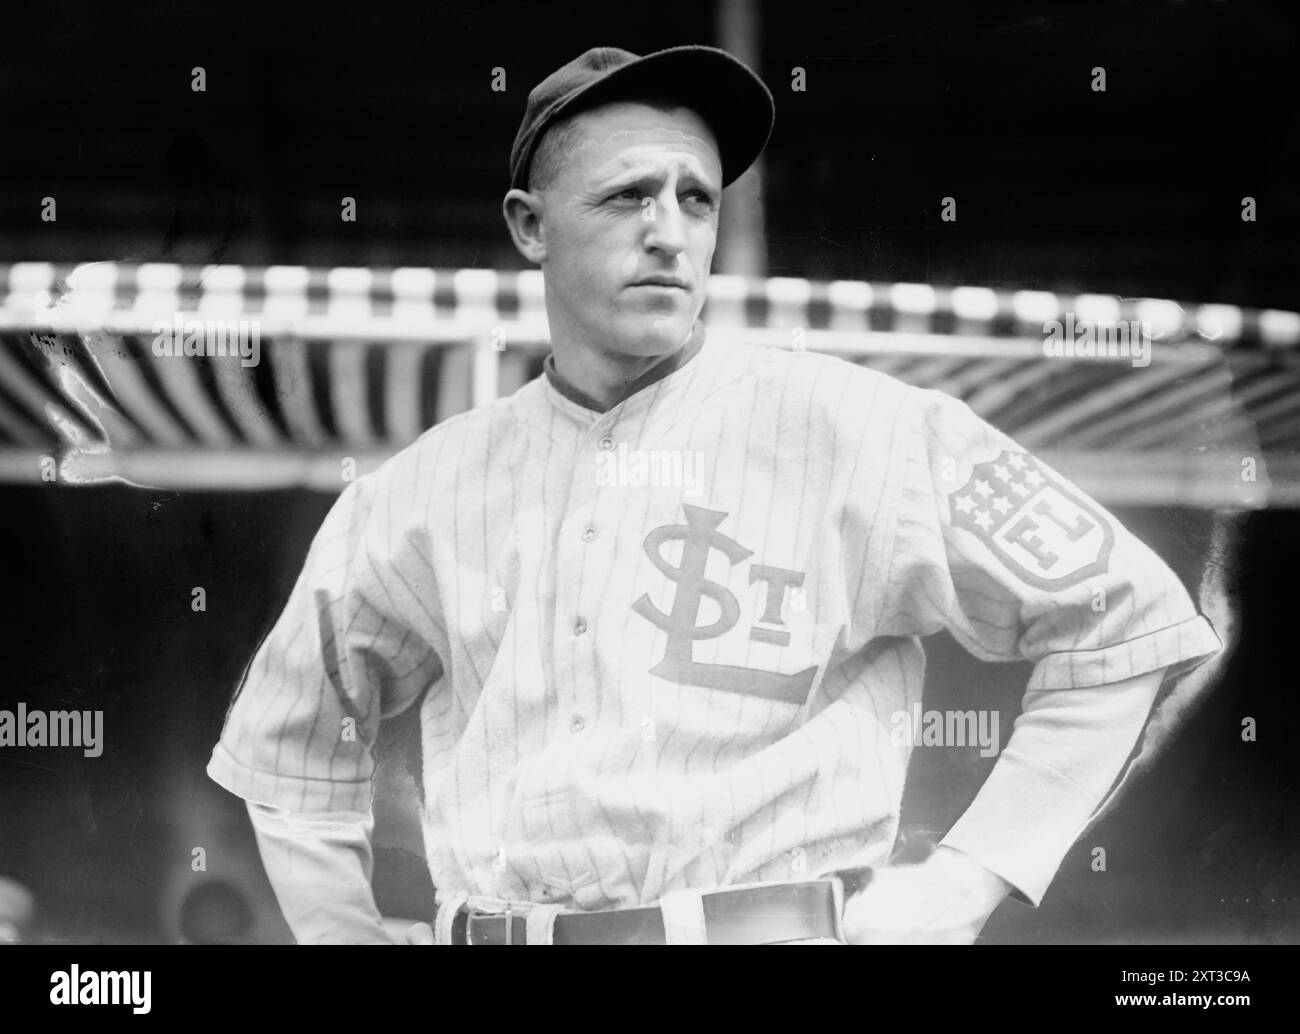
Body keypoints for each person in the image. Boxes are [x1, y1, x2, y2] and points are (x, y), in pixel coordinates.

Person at [206, 44, 1222, 945]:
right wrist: (341, 933)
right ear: (529, 226)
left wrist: (965, 880)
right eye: (625, 196)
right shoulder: (420, 488)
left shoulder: (863, 426)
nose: (668, 231)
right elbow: (289, 740)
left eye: (696, 198)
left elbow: (1119, 617)